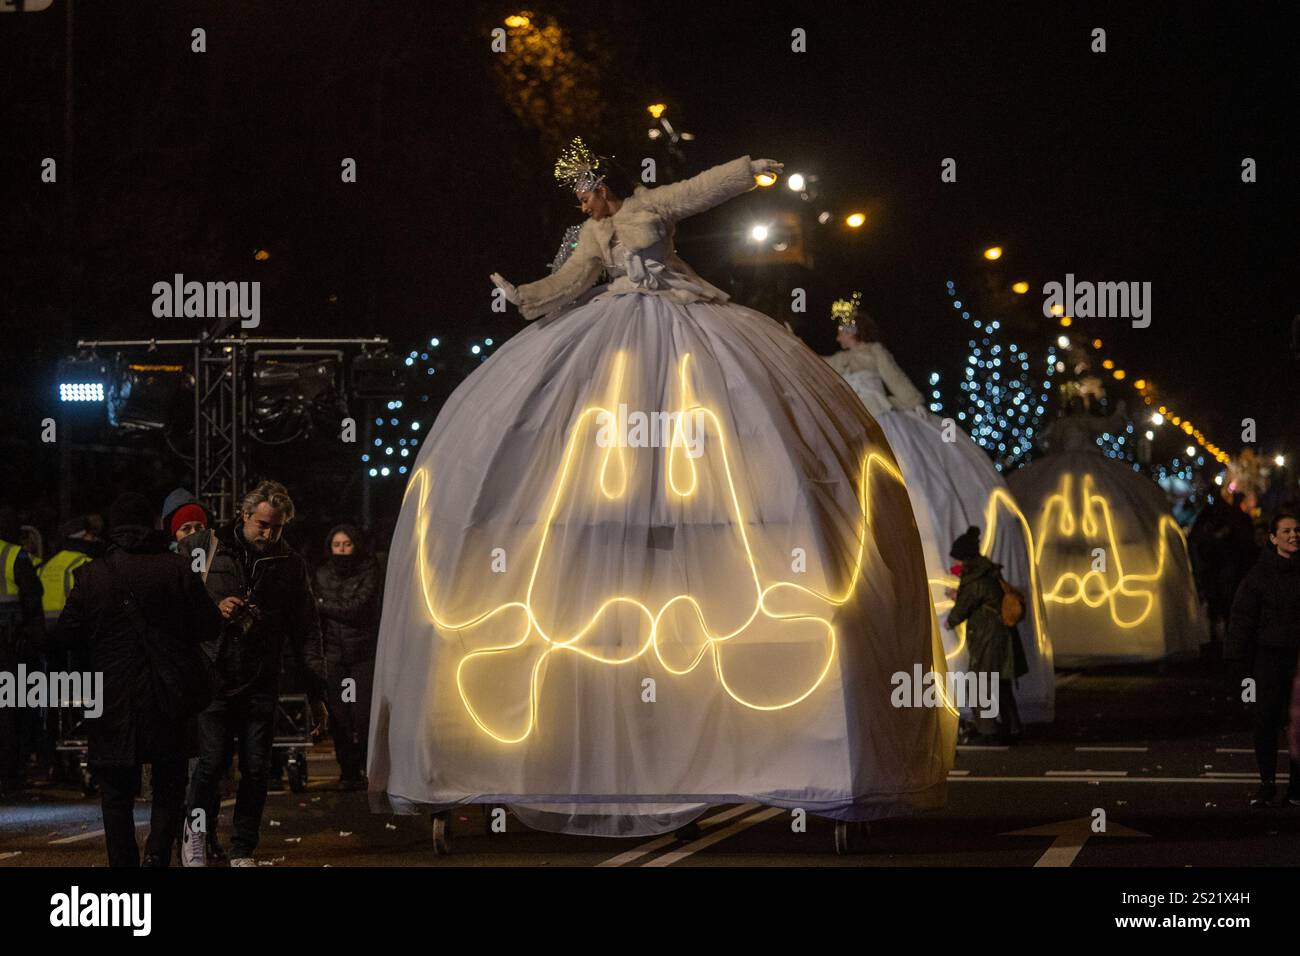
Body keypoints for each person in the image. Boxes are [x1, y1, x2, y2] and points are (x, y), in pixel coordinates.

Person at [369, 139, 955, 838]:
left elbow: (700, 189)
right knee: (592, 443)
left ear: (604, 186)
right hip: (612, 326)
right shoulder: (591, 236)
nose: (585, 204)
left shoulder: (651, 205)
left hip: (684, 319)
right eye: (578, 198)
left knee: (723, 432)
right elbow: (571, 283)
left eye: (588, 192)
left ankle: (795, 743)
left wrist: (750, 172)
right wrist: (523, 295)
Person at [48, 493, 223, 866]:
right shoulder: (177, 569)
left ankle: (123, 864)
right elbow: (209, 625)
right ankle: (157, 855)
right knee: (170, 781)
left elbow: (66, 636)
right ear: (154, 526)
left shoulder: (93, 574)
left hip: (111, 697)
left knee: (116, 791)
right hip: (168, 693)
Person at [182, 480, 324, 866]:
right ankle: (197, 836)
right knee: (210, 764)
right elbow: (175, 602)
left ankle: (242, 847)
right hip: (211, 673)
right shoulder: (204, 549)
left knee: (257, 768)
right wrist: (216, 608)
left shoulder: (289, 563)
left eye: (276, 527)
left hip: (260, 677)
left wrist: (316, 689)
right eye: (262, 524)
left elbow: (306, 627)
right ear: (244, 515)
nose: (269, 533)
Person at [1226, 512, 1300, 807]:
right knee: (1265, 721)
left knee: (1297, 724)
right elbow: (1242, 621)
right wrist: (1237, 665)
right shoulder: (1259, 575)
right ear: (1273, 538)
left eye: (1297, 530)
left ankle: (1296, 787)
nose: (1293, 535)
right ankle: (1267, 783)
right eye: (1286, 531)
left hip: (1297, 662)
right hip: (1268, 660)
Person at [314, 524, 381, 789]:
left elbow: (358, 608)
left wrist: (325, 606)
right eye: (337, 545)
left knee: (363, 716)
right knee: (340, 717)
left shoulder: (369, 570)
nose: (342, 550)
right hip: (335, 655)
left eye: (347, 544)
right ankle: (348, 772)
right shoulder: (322, 574)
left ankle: (367, 766)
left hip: (363, 654)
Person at [944, 525, 1026, 744]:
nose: (954, 565)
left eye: (957, 561)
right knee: (1000, 683)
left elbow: (963, 608)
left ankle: (987, 730)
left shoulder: (975, 579)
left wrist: (949, 621)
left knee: (979, 683)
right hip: (999, 636)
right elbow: (980, 599)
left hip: (988, 638)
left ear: (965, 558)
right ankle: (1012, 728)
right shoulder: (985, 572)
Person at [0, 506, 44, 796]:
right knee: (11, 710)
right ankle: (10, 774)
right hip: (9, 645)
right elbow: (33, 601)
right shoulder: (15, 555)